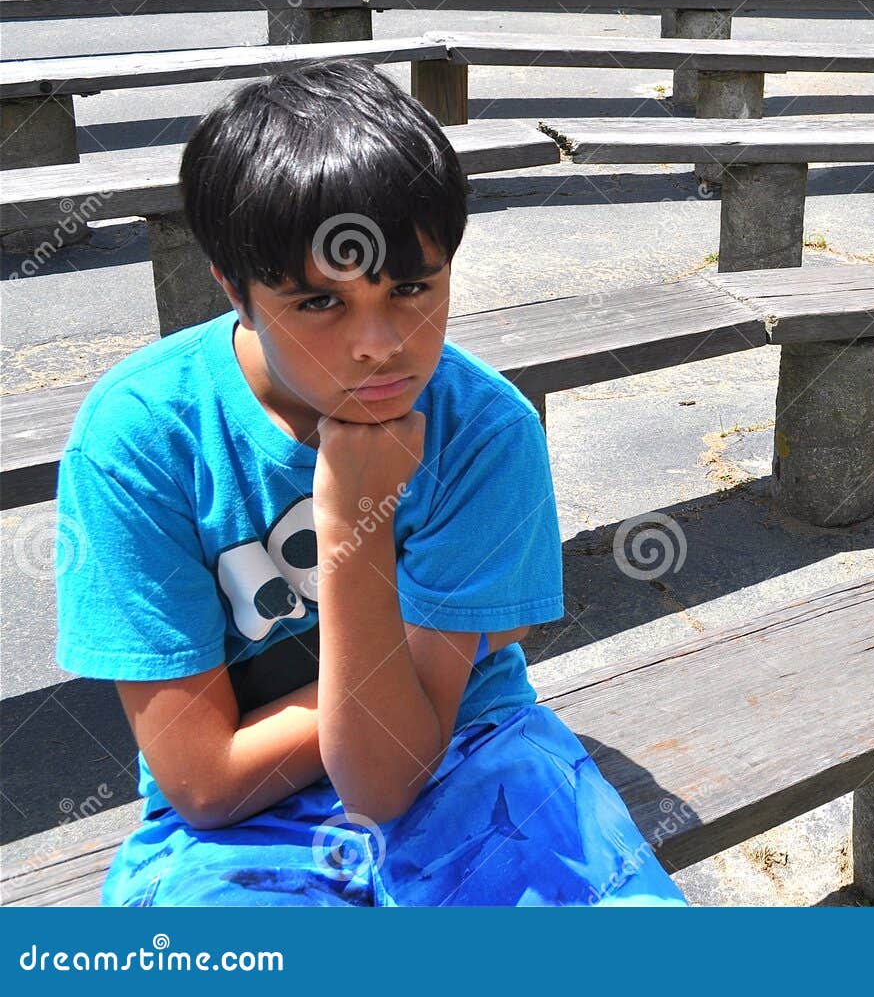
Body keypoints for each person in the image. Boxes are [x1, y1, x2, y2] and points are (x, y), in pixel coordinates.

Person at [54, 58, 687, 907]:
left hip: (472, 748)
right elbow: (203, 781)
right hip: (234, 829)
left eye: (413, 287)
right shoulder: (140, 440)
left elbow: (386, 779)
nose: (381, 343)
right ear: (234, 290)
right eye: (321, 303)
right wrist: (391, 613)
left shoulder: (484, 430)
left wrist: (362, 542)